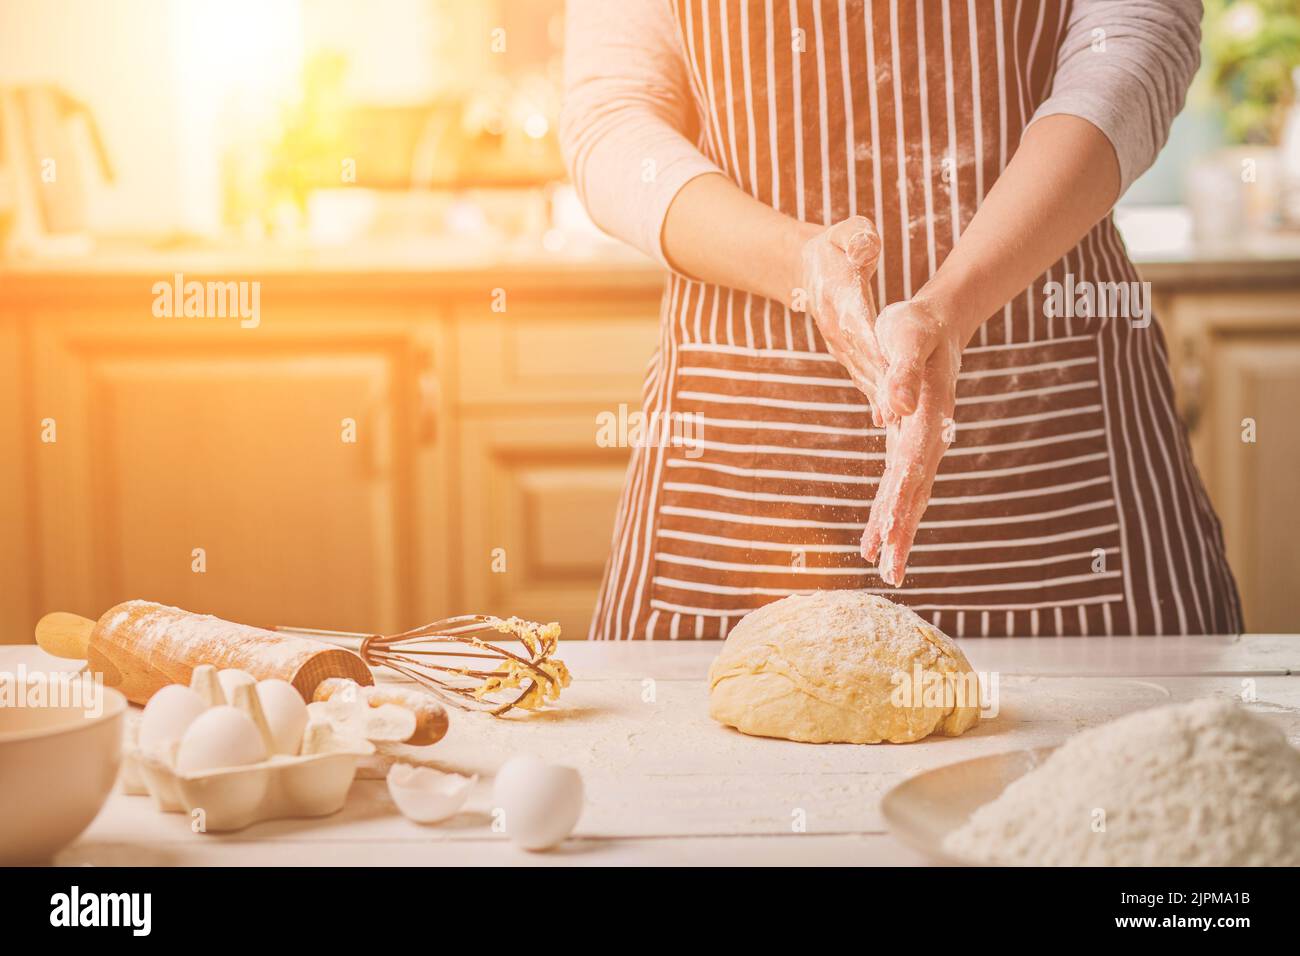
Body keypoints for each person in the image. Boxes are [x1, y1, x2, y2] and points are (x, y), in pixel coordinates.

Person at [561, 0, 1242, 640]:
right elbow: (612, 116)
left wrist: (956, 300)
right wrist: (800, 264)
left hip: (1053, 466)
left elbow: (1131, 46)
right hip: (737, 481)